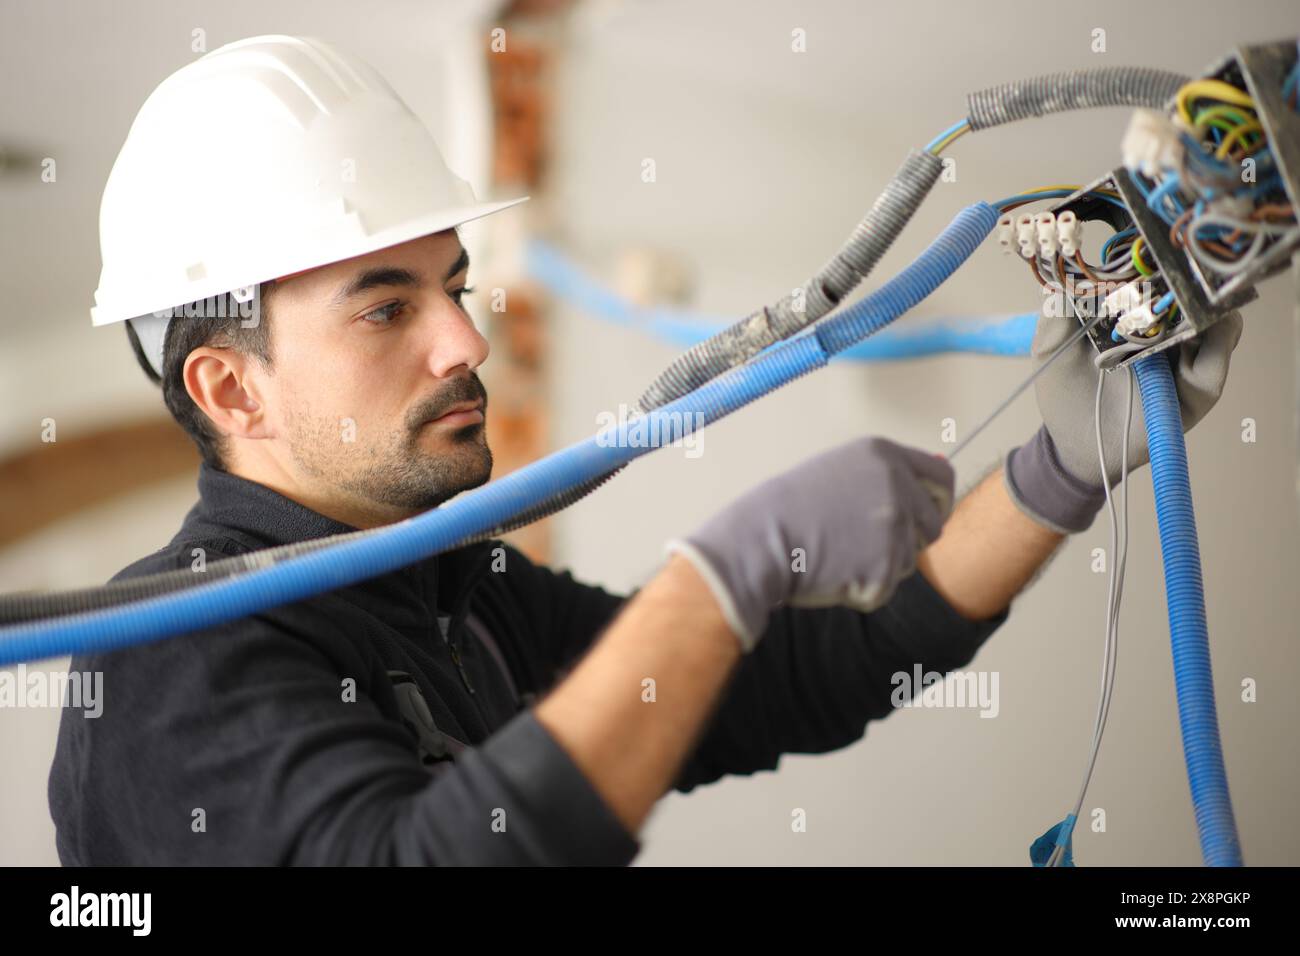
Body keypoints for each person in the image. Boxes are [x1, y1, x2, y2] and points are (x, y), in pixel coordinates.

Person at [48, 35, 1241, 865]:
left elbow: (794, 674)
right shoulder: (164, 656)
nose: (466, 336)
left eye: (454, 288)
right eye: (386, 306)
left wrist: (1058, 472)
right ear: (228, 386)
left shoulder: (453, 592)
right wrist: (721, 569)